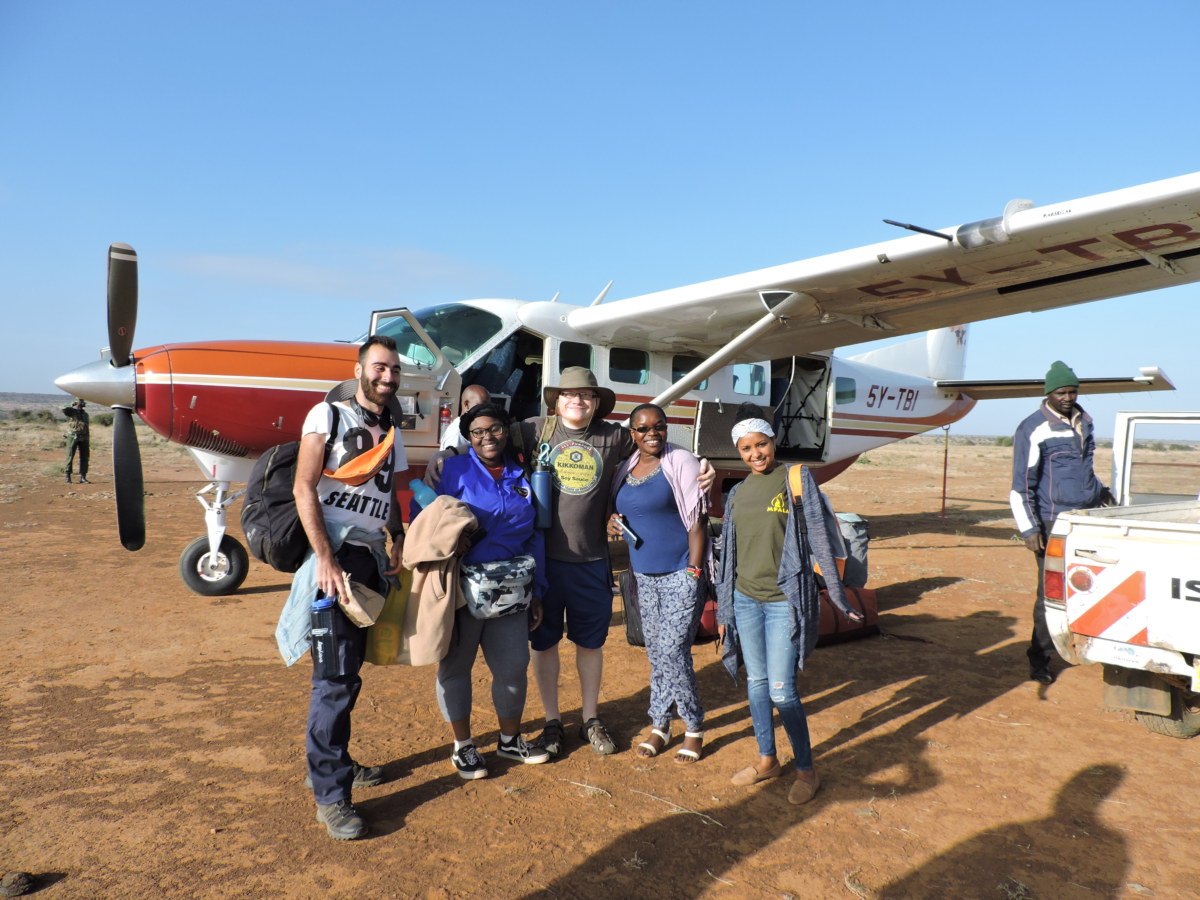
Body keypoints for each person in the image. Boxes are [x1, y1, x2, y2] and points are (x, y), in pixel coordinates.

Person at [274, 335, 408, 841]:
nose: (387, 377)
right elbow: (304, 486)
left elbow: (386, 493)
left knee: (348, 674)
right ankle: (331, 798)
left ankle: (339, 765)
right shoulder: (326, 416)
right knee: (333, 679)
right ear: (358, 370)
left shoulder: (389, 428)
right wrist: (326, 560)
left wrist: (395, 537)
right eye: (379, 368)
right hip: (336, 562)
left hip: (371, 562)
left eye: (393, 370)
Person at [715, 403, 863, 805]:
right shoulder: (738, 492)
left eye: (760, 445)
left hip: (783, 602)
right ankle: (767, 760)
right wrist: (725, 609)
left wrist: (836, 590)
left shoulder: (795, 479)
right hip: (745, 599)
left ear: (773, 442)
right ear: (738, 452)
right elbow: (728, 553)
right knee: (757, 684)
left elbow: (818, 534)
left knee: (783, 691)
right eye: (746, 449)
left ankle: (806, 769)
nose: (755, 454)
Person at [422, 402, 551, 778]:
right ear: (468, 437)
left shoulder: (522, 476)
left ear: (505, 431)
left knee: (513, 668)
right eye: (477, 432)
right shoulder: (452, 470)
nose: (487, 437)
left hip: (510, 590)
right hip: (460, 588)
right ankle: (463, 747)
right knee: (455, 668)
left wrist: (537, 589)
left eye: (494, 429)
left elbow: (534, 538)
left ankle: (510, 741)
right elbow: (424, 518)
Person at [521, 367, 634, 757]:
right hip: (545, 562)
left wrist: (698, 466)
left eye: (586, 395)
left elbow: (656, 449)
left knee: (590, 643)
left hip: (591, 560)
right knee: (544, 642)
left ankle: (590, 718)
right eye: (569, 394)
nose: (578, 401)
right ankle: (553, 720)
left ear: (597, 401)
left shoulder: (613, 435)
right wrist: (449, 453)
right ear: (556, 399)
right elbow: (486, 434)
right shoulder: (536, 429)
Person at [607, 403, 708, 763]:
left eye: (659, 426)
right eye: (644, 428)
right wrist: (612, 520)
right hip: (643, 577)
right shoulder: (625, 468)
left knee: (673, 651)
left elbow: (698, 522)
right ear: (632, 434)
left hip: (682, 572)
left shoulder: (680, 461)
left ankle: (694, 727)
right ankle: (660, 725)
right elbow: (618, 509)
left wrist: (694, 573)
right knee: (656, 654)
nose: (653, 433)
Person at [1009, 360, 1114, 685]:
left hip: (1087, 520)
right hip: (1052, 523)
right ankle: (1039, 659)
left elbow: (1085, 472)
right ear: (1048, 394)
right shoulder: (1033, 428)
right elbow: (1020, 486)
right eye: (1061, 392)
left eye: (1072, 391)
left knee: (1090, 585)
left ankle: (1091, 645)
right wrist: (1029, 529)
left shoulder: (1085, 422)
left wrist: (1105, 496)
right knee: (1049, 597)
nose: (1068, 397)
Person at [439, 384, 491, 451]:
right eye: (481, 406)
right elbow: (454, 460)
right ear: (466, 404)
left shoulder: (470, 427)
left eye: (488, 406)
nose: (486, 410)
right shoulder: (457, 434)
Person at [63, 398, 90, 484]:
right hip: (72, 436)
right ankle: (68, 476)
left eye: (82, 403)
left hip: (84, 437)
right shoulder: (71, 412)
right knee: (70, 456)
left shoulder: (85, 414)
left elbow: (87, 426)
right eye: (79, 403)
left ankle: (83, 477)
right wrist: (72, 403)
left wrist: (87, 437)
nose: (80, 404)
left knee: (84, 457)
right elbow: (64, 408)